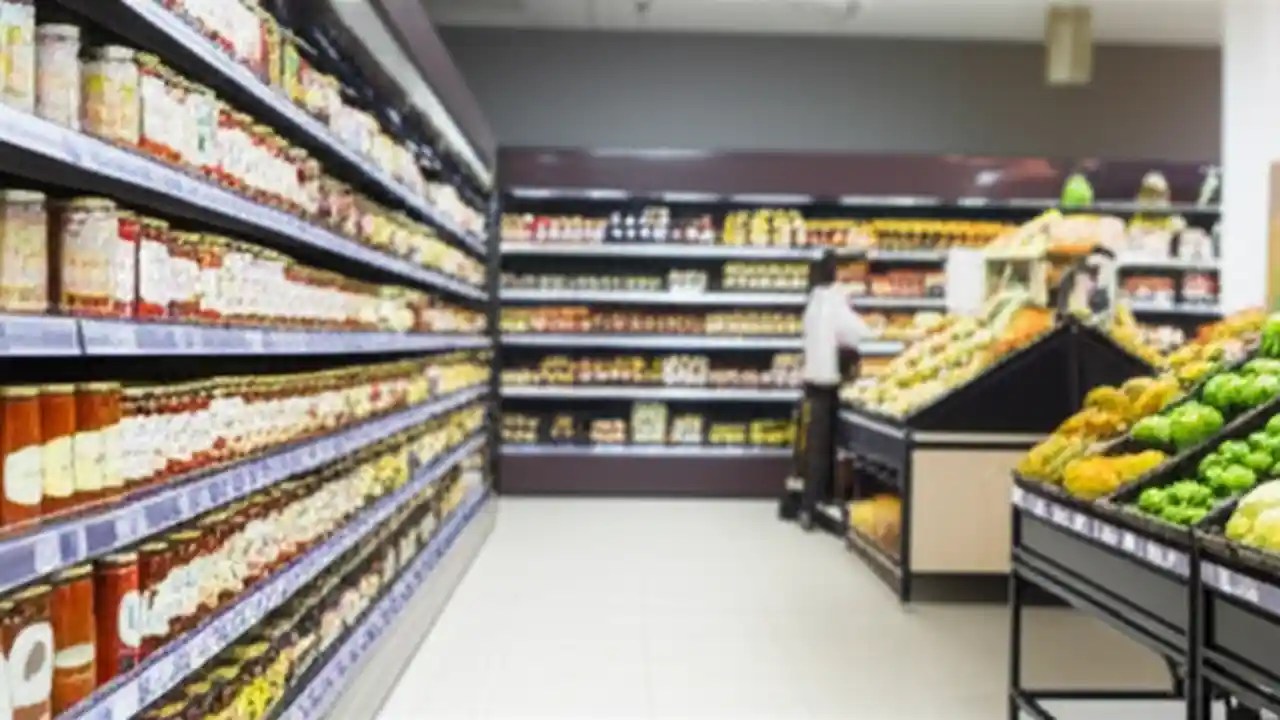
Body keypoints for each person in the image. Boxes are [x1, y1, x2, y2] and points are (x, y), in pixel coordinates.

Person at [781, 249, 873, 527]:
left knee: (809, 448)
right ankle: (814, 506)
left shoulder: (812, 300)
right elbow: (855, 333)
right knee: (823, 449)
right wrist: (877, 329)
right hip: (828, 385)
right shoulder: (834, 300)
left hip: (810, 383)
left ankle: (804, 503)